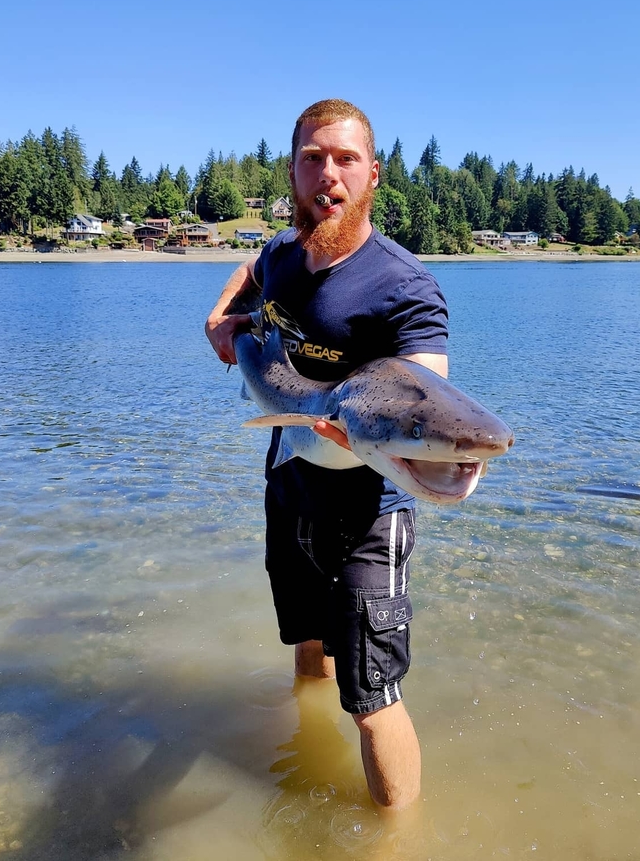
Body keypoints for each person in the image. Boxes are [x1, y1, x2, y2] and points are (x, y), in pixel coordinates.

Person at [204, 99, 448, 810]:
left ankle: (395, 843)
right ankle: (305, 750)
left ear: (373, 174)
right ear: (292, 171)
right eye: (312, 157)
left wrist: (400, 431)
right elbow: (249, 272)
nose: (328, 174)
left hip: (370, 501)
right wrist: (224, 320)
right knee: (306, 643)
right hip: (290, 475)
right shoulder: (282, 255)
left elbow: (424, 395)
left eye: (345, 159)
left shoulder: (405, 287)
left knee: (371, 695)